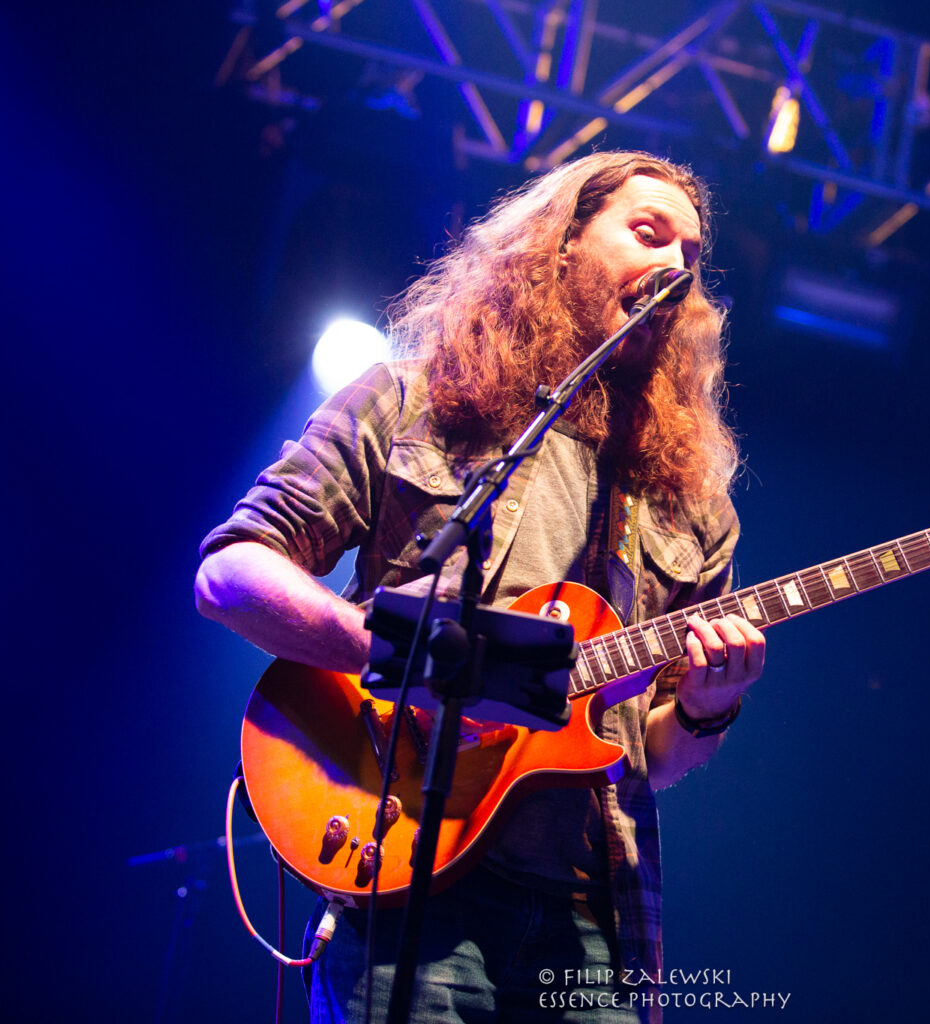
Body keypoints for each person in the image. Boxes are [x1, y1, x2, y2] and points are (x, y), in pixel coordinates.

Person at [195, 150, 765, 1023]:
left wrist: (704, 708)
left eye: (691, 257)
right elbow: (232, 573)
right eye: (650, 234)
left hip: (591, 923)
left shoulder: (690, 504)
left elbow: (654, 755)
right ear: (564, 242)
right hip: (405, 877)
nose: (675, 268)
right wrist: (399, 661)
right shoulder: (416, 397)